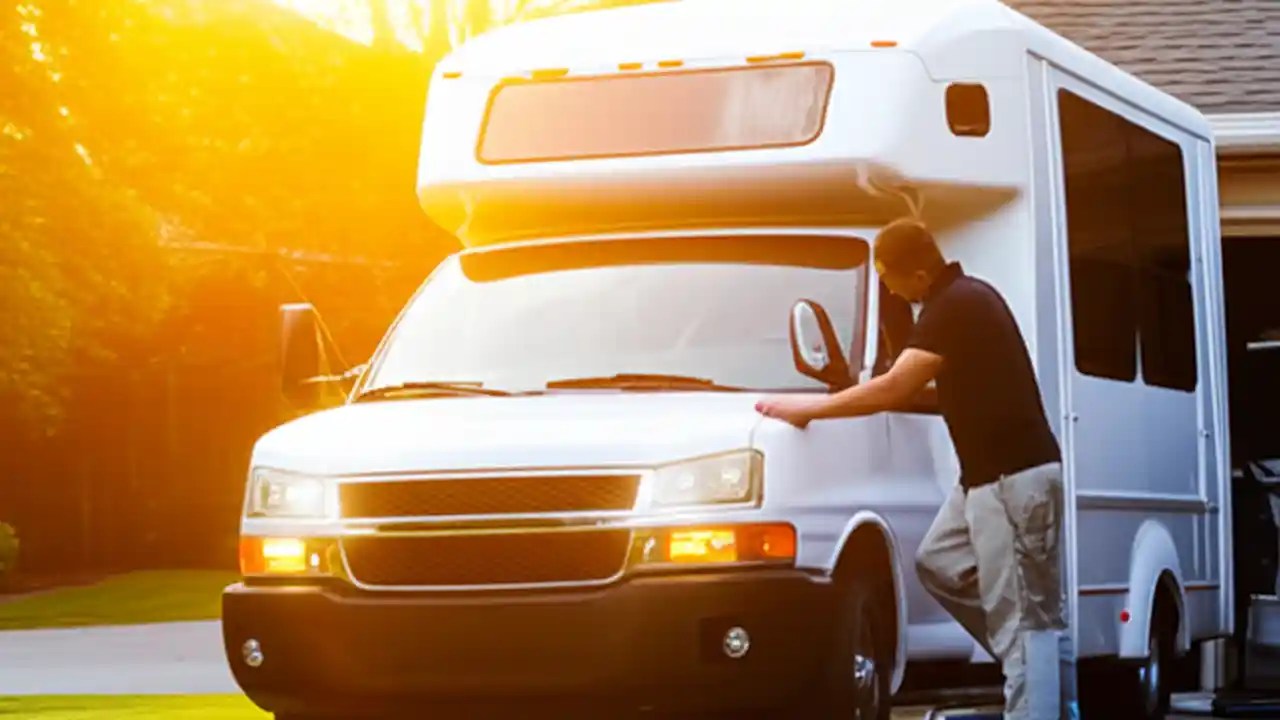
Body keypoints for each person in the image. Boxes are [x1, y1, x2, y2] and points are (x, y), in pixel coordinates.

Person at [756, 218, 1075, 719]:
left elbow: (896, 387)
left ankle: (1029, 676)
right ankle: (1034, 664)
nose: (890, 290)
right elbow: (929, 391)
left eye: (890, 280)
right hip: (986, 481)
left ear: (919, 273)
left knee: (1025, 622)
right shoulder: (963, 301)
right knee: (939, 563)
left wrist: (810, 407)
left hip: (1012, 482)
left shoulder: (955, 305)